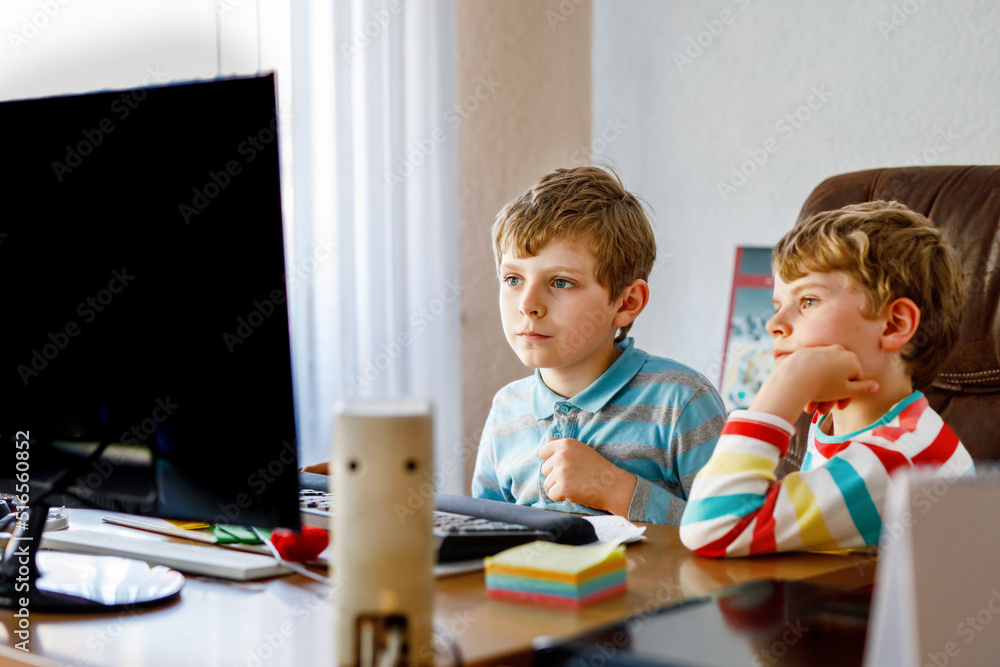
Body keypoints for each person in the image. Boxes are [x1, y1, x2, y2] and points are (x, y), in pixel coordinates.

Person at [680, 200, 975, 557]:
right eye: (777, 306)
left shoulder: (900, 461)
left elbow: (712, 528)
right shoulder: (835, 425)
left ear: (895, 325)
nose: (774, 325)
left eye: (807, 301)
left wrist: (783, 388)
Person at [472, 166, 727, 525]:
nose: (528, 304)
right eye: (513, 278)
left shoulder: (681, 402)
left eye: (560, 282)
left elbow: (732, 534)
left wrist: (618, 491)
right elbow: (485, 532)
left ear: (626, 303)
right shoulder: (506, 411)